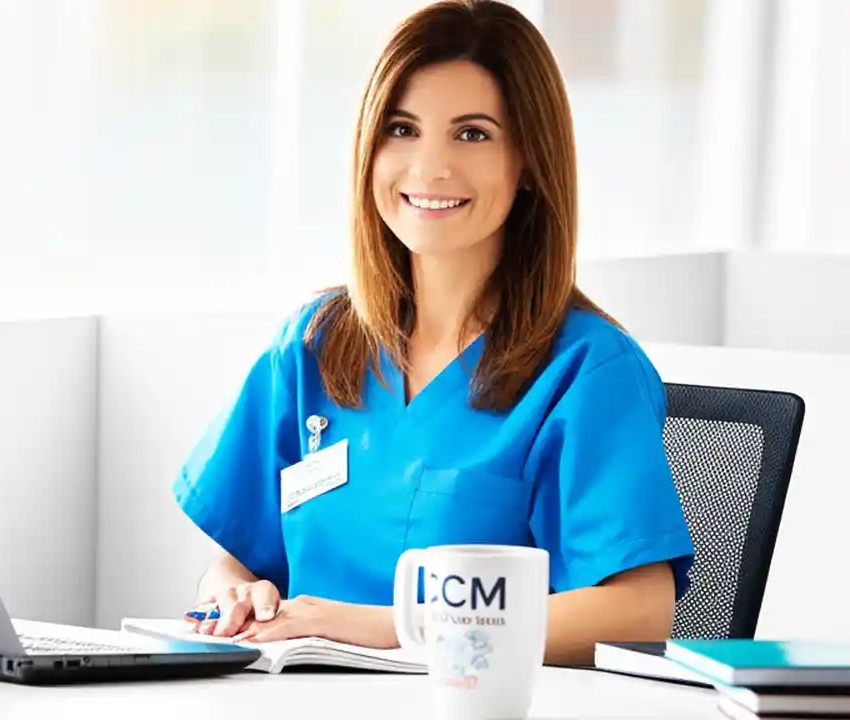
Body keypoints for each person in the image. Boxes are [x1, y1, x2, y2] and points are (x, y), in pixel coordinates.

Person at [171, 0, 694, 666]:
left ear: (530, 159)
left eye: (472, 134)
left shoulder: (587, 371)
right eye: (402, 129)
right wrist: (241, 599)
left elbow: (637, 608)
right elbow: (232, 564)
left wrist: (389, 626)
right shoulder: (314, 345)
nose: (429, 167)